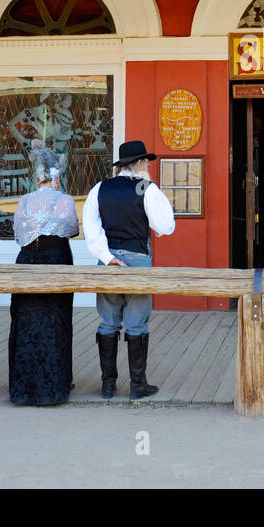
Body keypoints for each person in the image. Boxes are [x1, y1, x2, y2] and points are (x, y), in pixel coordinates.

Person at [82, 140, 176, 400]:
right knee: (136, 323)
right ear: (138, 164)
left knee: (108, 321)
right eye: (146, 161)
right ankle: (137, 385)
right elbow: (166, 226)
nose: (148, 165)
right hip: (137, 259)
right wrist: (148, 185)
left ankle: (108, 386)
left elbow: (91, 229)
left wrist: (108, 257)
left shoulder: (100, 188)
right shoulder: (145, 187)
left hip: (108, 260)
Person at [9, 145, 79, 406]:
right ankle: (54, 387)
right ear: (56, 176)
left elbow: (19, 236)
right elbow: (71, 230)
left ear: (37, 178)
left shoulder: (25, 200)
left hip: (27, 261)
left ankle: (23, 388)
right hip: (56, 260)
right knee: (55, 322)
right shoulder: (65, 200)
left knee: (26, 321)